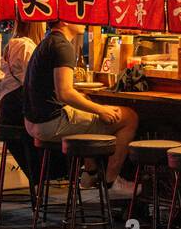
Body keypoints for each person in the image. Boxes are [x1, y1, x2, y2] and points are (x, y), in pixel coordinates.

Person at [24, 19, 138, 191]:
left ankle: (90, 174)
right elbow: (65, 93)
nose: (83, 20)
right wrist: (101, 110)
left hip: (33, 122)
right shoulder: (62, 46)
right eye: (76, 16)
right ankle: (111, 182)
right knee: (129, 117)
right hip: (49, 124)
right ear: (63, 22)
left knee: (88, 106)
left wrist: (91, 105)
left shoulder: (48, 42)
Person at [0, 19, 47, 184]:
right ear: (36, 24)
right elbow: (34, 80)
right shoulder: (27, 46)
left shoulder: (12, 44)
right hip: (17, 110)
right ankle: (50, 174)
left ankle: (41, 179)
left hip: (7, 108)